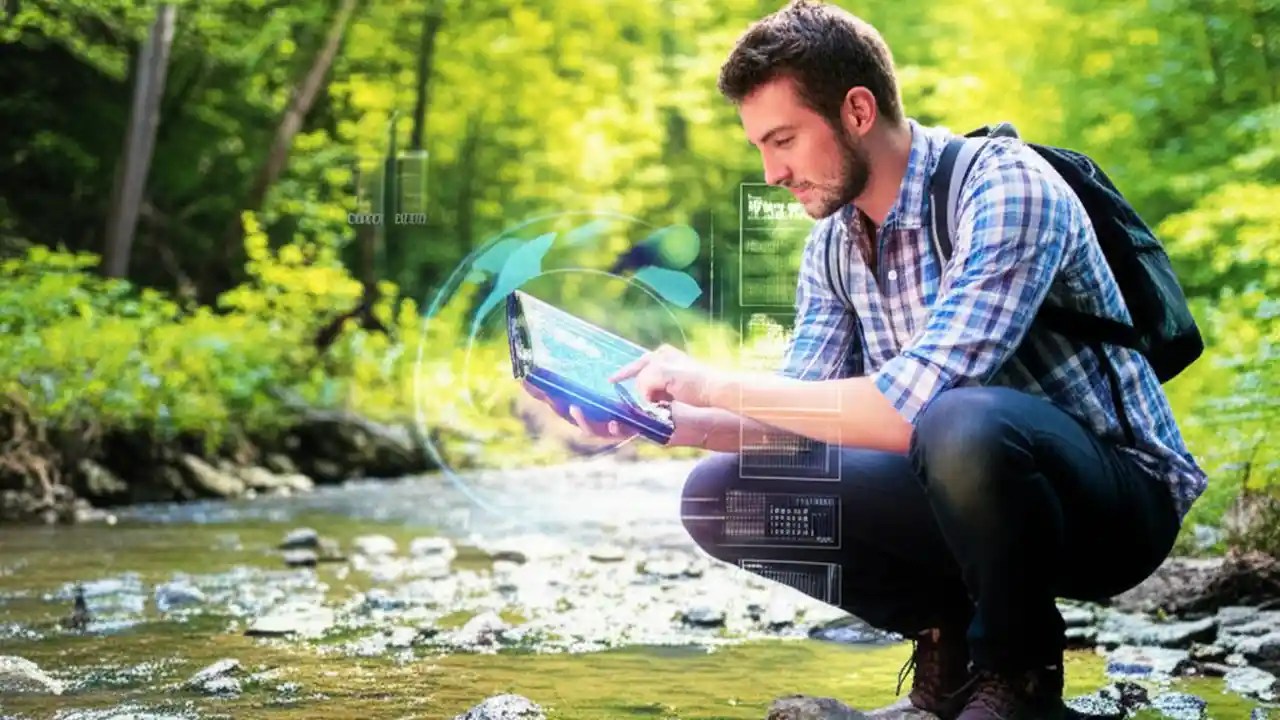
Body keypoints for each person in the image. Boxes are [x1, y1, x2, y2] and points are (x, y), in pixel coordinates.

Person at [523, 1, 1207, 718]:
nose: (773, 172)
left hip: (1113, 507)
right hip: (962, 491)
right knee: (722, 494)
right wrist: (662, 419)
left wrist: (713, 380)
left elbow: (910, 409)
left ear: (856, 110)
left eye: (784, 140)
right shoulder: (834, 244)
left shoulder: (1004, 187)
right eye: (760, 147)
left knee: (959, 421)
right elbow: (797, 421)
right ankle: (949, 652)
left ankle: (1020, 676)